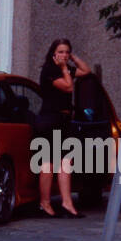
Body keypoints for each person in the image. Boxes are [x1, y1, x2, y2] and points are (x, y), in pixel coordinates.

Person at [33, 38, 91, 217]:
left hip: (64, 119)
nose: (64, 55)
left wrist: (73, 58)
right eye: (61, 52)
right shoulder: (50, 70)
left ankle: (67, 203)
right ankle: (45, 203)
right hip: (49, 119)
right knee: (48, 163)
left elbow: (86, 71)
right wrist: (65, 68)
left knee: (66, 161)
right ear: (53, 54)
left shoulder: (65, 67)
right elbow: (68, 87)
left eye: (67, 52)